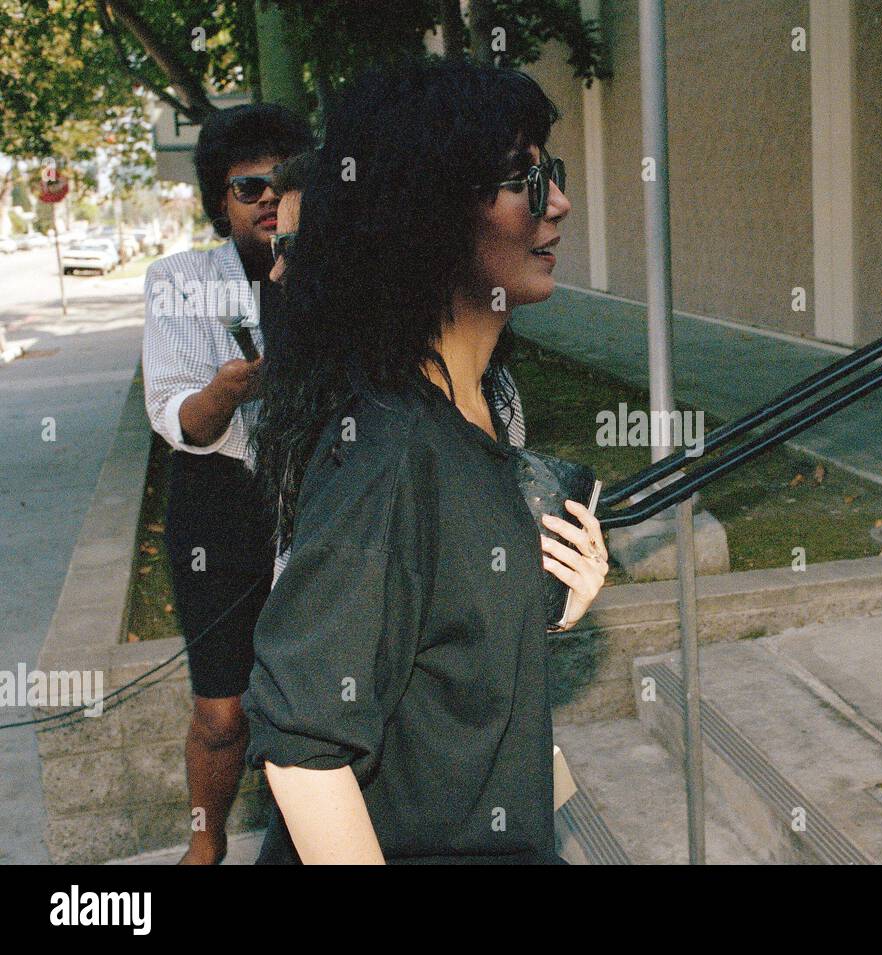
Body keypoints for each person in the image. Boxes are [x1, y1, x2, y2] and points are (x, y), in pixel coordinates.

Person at [244, 55, 608, 864]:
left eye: (552, 173)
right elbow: (303, 750)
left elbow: (433, 620)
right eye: (524, 179)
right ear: (429, 214)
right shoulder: (389, 444)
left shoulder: (483, 402)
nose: (558, 202)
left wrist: (542, 598)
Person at [141, 103, 313, 865]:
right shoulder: (178, 281)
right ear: (220, 201)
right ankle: (205, 843)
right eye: (248, 187)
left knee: (315, 696)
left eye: (283, 180)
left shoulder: (336, 271)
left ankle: (312, 838)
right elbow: (180, 416)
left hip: (319, 501)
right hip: (218, 508)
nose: (268, 197)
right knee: (222, 712)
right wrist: (226, 390)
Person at [260, 151, 528, 589]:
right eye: (277, 247)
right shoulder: (337, 408)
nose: (276, 272)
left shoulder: (493, 391)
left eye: (293, 248)